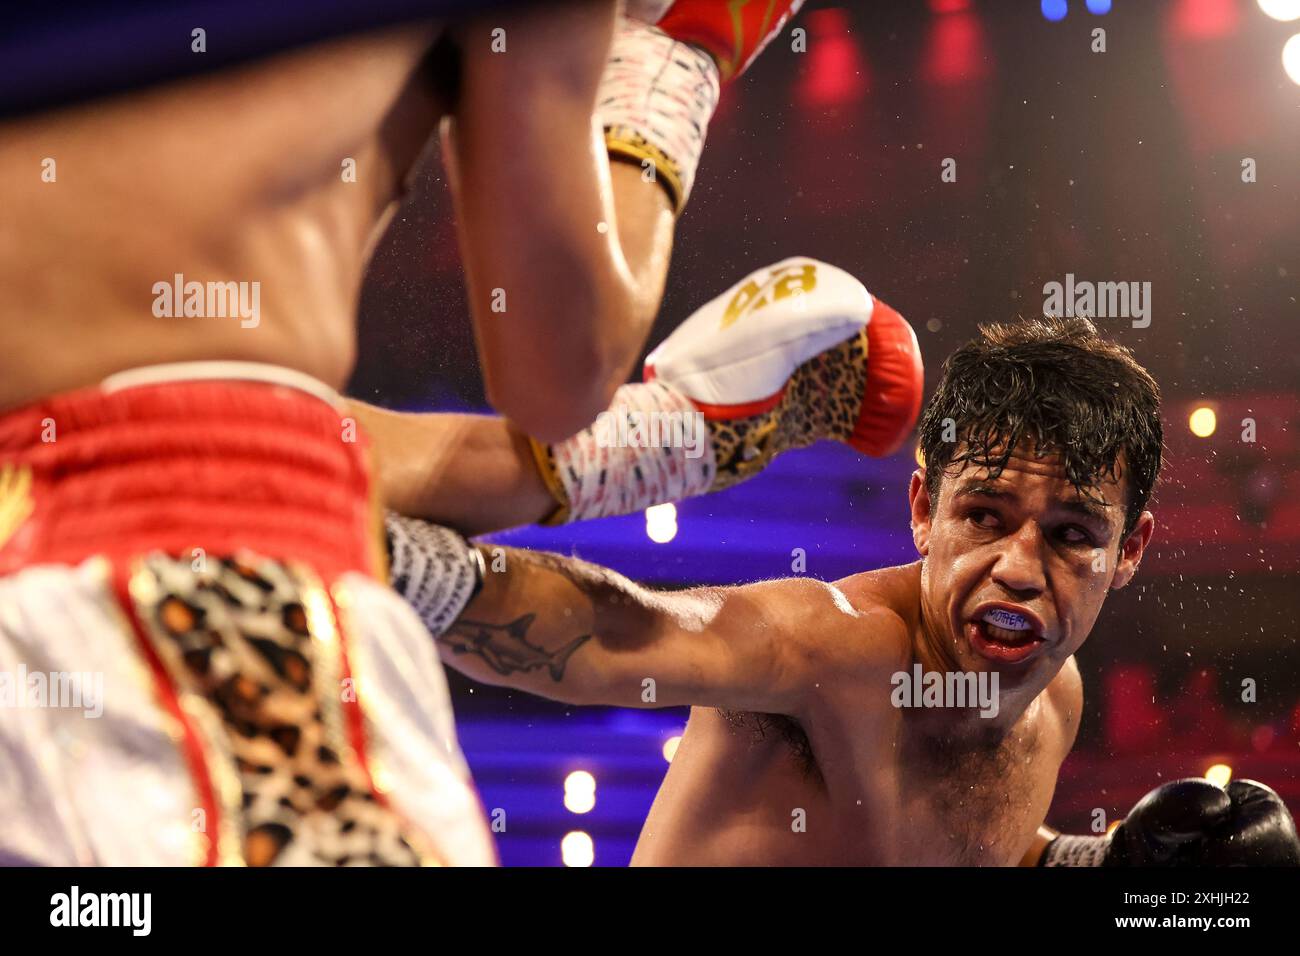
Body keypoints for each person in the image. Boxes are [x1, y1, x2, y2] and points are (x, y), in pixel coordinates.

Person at [0, 0, 804, 865]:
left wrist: (669, 440)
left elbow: (154, 414)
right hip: (190, 604)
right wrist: (678, 52)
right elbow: (562, 365)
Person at [390, 306, 1300, 866]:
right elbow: (622, 640)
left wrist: (1094, 865)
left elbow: (962, 849)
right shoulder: (833, 649)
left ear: (1130, 550)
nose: (1020, 569)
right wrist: (395, 561)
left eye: (1071, 537)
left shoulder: (1052, 700)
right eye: (983, 516)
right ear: (921, 509)